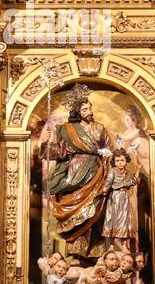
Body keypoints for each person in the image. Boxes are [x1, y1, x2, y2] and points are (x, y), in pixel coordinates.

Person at [41, 91, 112, 257]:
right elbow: (58, 153)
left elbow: (108, 152)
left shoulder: (100, 128)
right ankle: (74, 251)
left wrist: (107, 178)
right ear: (78, 112)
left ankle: (94, 252)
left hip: (96, 173)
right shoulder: (66, 129)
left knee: (94, 211)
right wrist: (50, 141)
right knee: (75, 210)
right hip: (74, 173)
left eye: (89, 108)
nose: (89, 112)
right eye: (85, 110)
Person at [102, 149, 140, 255]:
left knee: (124, 221)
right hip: (114, 197)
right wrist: (105, 188)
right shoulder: (113, 171)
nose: (120, 163)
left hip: (124, 198)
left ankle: (124, 246)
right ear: (114, 161)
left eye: (122, 160)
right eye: (117, 160)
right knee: (112, 220)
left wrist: (137, 172)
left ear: (125, 161)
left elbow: (133, 181)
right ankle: (111, 246)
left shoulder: (127, 173)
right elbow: (109, 181)